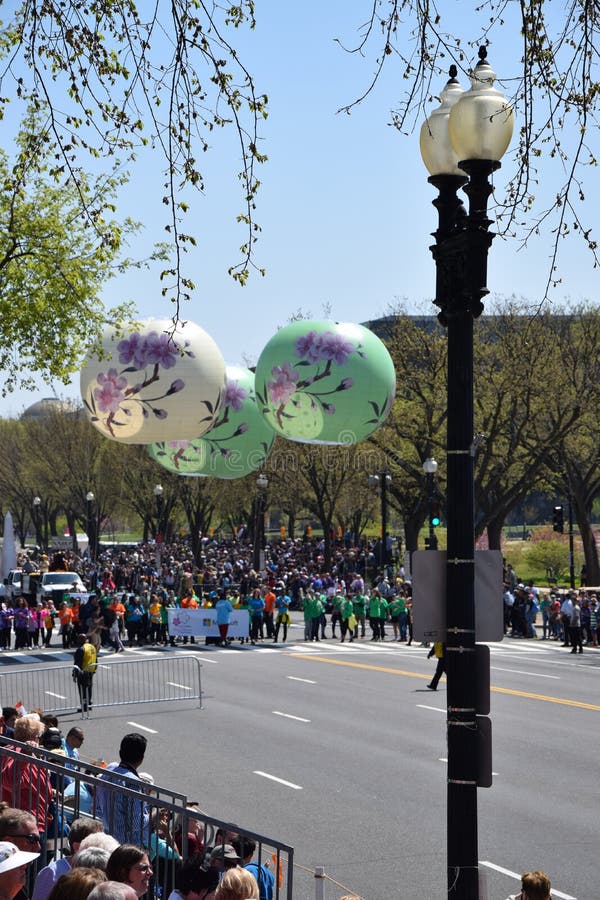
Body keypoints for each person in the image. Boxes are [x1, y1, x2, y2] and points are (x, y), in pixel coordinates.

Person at [31, 817, 104, 900]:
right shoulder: (52, 873)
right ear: (77, 847)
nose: (103, 848)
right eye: (97, 843)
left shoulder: (101, 870)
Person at [96, 734, 150, 845]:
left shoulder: (108, 772)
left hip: (107, 840)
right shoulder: (133, 782)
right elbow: (136, 823)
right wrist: (153, 815)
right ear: (141, 758)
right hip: (126, 846)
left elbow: (96, 809)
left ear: (120, 753)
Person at [72, 634, 97, 714]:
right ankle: (89, 704)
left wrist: (75, 674)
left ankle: (84, 705)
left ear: (80, 640)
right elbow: (96, 659)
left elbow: (77, 663)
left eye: (78, 639)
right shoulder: (92, 647)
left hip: (83, 672)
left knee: (82, 690)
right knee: (89, 688)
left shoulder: (81, 649)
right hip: (91, 670)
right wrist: (94, 669)